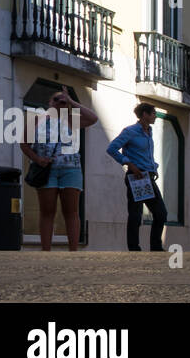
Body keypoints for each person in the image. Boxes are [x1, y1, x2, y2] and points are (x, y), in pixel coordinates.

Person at [20, 91, 97, 251]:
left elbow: (93, 118)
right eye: (57, 99)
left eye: (64, 101)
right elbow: (24, 144)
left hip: (71, 169)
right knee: (47, 211)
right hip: (47, 170)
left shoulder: (71, 120)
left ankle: (73, 251)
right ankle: (46, 250)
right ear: (49, 101)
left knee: (71, 211)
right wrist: (37, 159)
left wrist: (72, 101)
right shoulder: (36, 120)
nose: (60, 102)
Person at [106, 103, 168, 252]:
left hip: (147, 176)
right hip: (136, 176)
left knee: (160, 213)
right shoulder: (130, 131)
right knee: (136, 214)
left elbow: (145, 155)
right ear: (145, 114)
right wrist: (129, 163)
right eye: (153, 113)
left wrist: (154, 167)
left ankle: (156, 247)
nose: (155, 116)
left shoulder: (149, 132)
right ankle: (134, 248)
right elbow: (112, 149)